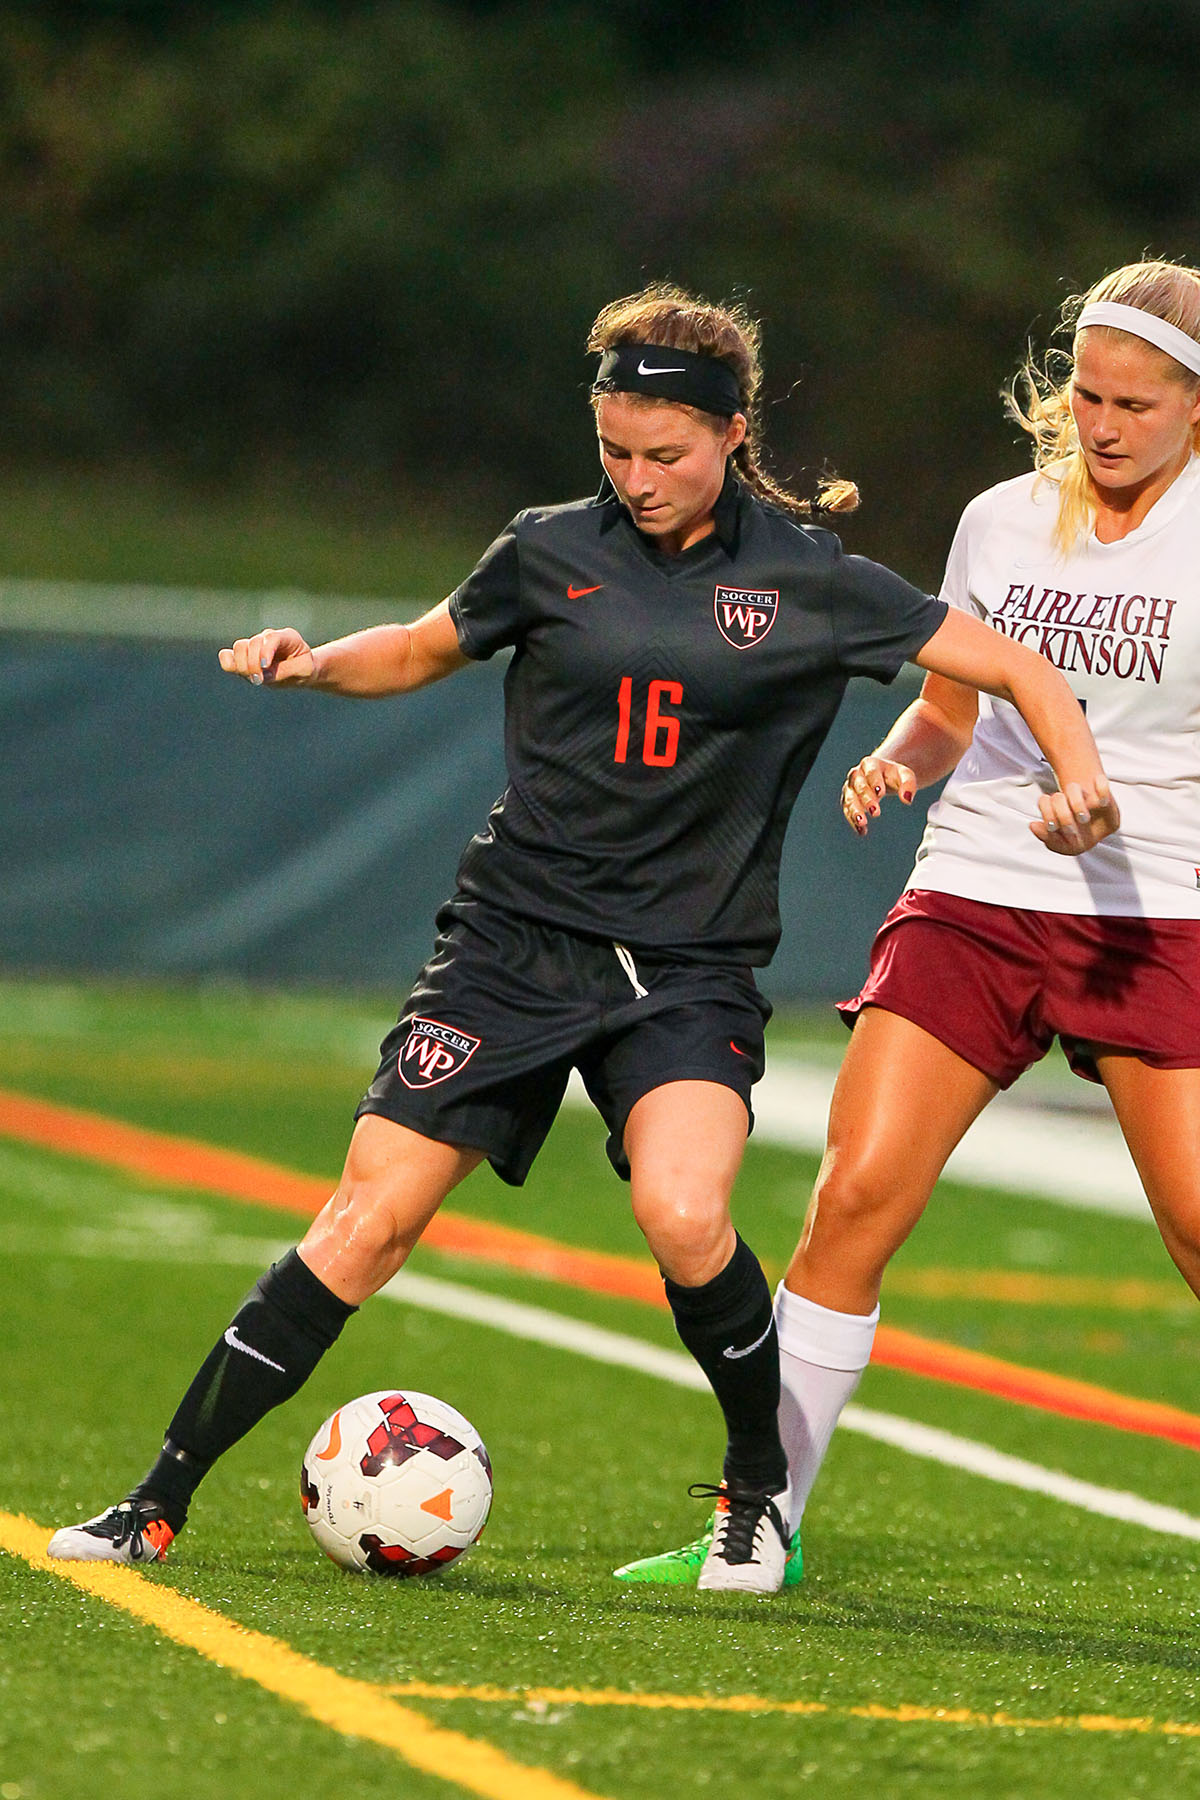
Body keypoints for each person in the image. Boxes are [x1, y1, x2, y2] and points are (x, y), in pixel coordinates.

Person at [48, 283, 1113, 1597]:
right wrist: (315, 660)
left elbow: (1020, 668)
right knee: (364, 1220)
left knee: (682, 1213)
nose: (638, 476)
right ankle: (154, 1504)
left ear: (731, 433)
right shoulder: (549, 548)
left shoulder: (807, 579)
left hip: (685, 970)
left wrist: (1076, 777)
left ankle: (755, 1501)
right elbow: (425, 647)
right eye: (616, 449)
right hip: (513, 943)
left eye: (665, 453)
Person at [616, 255, 1200, 1589]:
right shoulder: (1004, 520)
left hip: (1160, 910)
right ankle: (758, 1525)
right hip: (979, 894)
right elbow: (954, 705)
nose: (1104, 426)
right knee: (857, 1195)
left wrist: (1108, 812)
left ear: (1196, 409)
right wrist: (901, 760)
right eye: (1090, 398)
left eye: (1137, 406)